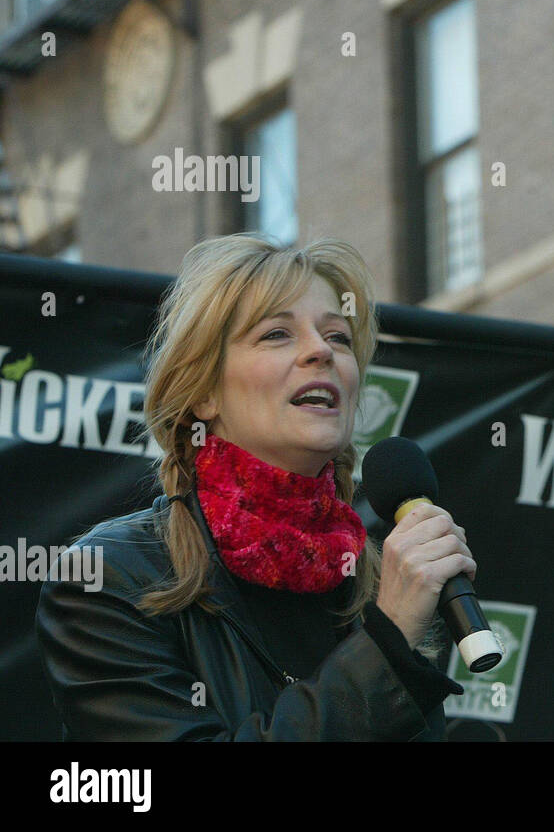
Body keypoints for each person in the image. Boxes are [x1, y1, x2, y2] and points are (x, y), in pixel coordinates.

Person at [35, 234, 477, 740]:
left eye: (338, 337)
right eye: (275, 335)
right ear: (202, 393)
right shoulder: (109, 578)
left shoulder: (382, 585)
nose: (320, 352)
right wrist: (387, 645)